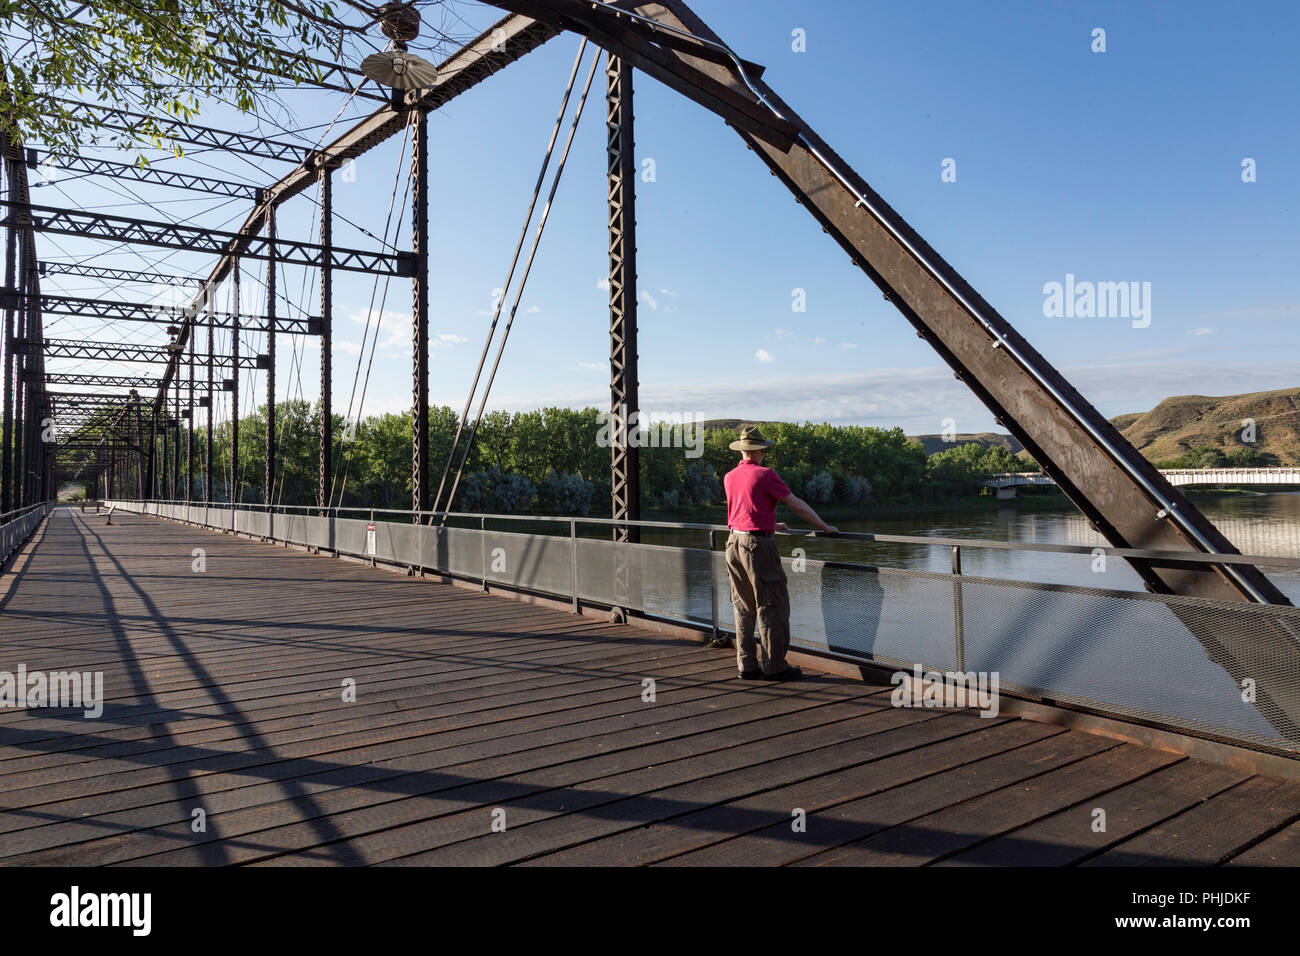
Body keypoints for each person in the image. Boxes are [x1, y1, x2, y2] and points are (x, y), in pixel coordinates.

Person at [720, 424, 838, 681]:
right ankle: (775, 666)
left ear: (742, 450)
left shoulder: (729, 477)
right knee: (772, 605)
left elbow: (744, 512)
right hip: (757, 547)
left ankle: (746, 666)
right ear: (761, 450)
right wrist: (824, 527)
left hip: (733, 544)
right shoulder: (765, 474)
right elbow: (796, 504)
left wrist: (771, 523)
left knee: (743, 607)